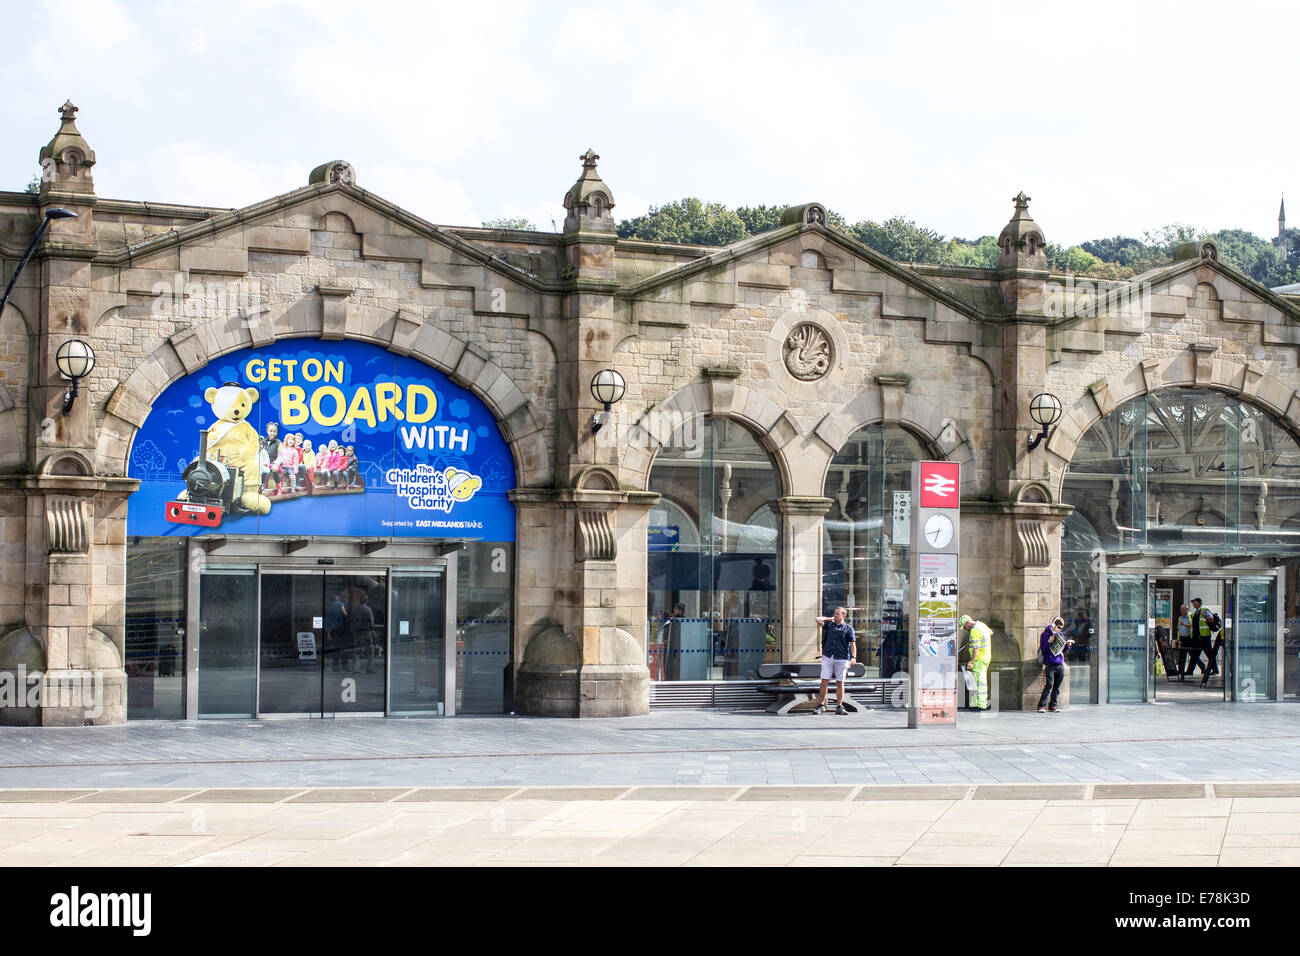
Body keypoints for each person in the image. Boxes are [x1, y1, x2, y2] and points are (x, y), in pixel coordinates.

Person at [812, 606, 856, 715]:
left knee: (840, 682)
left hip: (842, 658)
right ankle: (821, 705)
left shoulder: (848, 628)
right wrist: (829, 618)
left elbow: (852, 645)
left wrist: (853, 657)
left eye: (838, 614)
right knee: (824, 681)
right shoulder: (829, 625)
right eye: (835, 613)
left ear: (843, 616)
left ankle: (839, 706)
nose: (835, 615)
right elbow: (818, 619)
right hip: (828, 656)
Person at [1037, 616, 1072, 712]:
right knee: (1049, 685)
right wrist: (1049, 641)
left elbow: (1062, 650)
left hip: (1059, 663)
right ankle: (1041, 705)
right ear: (1053, 625)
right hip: (1050, 663)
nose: (1060, 629)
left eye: (1061, 628)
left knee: (1056, 687)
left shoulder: (1060, 634)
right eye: (1059, 627)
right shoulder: (1045, 634)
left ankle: (1053, 705)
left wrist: (1067, 646)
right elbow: (1043, 649)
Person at [959, 615, 993, 710]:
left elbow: (976, 648)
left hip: (979, 659)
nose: (966, 629)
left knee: (978, 682)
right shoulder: (981, 625)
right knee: (980, 680)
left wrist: (972, 661)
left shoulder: (974, 630)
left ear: (967, 623)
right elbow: (991, 632)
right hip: (985, 657)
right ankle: (977, 703)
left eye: (964, 627)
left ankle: (980, 705)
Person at [1190, 597, 1221, 687]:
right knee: (1194, 653)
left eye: (1194, 602)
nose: (1193, 604)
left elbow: (1211, 619)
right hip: (1198, 636)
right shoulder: (1196, 612)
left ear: (1199, 603)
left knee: (1209, 653)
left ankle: (1215, 669)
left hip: (1204, 636)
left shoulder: (1204, 610)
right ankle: (1190, 670)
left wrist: (1204, 615)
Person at [351, 592, 376, 675]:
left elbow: (351, 620)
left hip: (356, 632)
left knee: (357, 650)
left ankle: (356, 668)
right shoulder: (368, 609)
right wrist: (372, 628)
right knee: (370, 650)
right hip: (366, 632)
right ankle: (369, 668)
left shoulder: (354, 609)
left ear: (359, 600)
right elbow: (371, 622)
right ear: (366, 601)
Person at [1175, 603, 1193, 681]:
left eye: (1183, 609)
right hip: (1182, 638)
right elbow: (1178, 629)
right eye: (1181, 609)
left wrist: (1185, 624)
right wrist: (1178, 640)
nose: (1181, 611)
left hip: (1189, 638)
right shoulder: (1180, 617)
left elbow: (1193, 625)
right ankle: (1180, 670)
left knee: (1192, 654)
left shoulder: (1191, 616)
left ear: (1187, 609)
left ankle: (1202, 666)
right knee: (1182, 654)